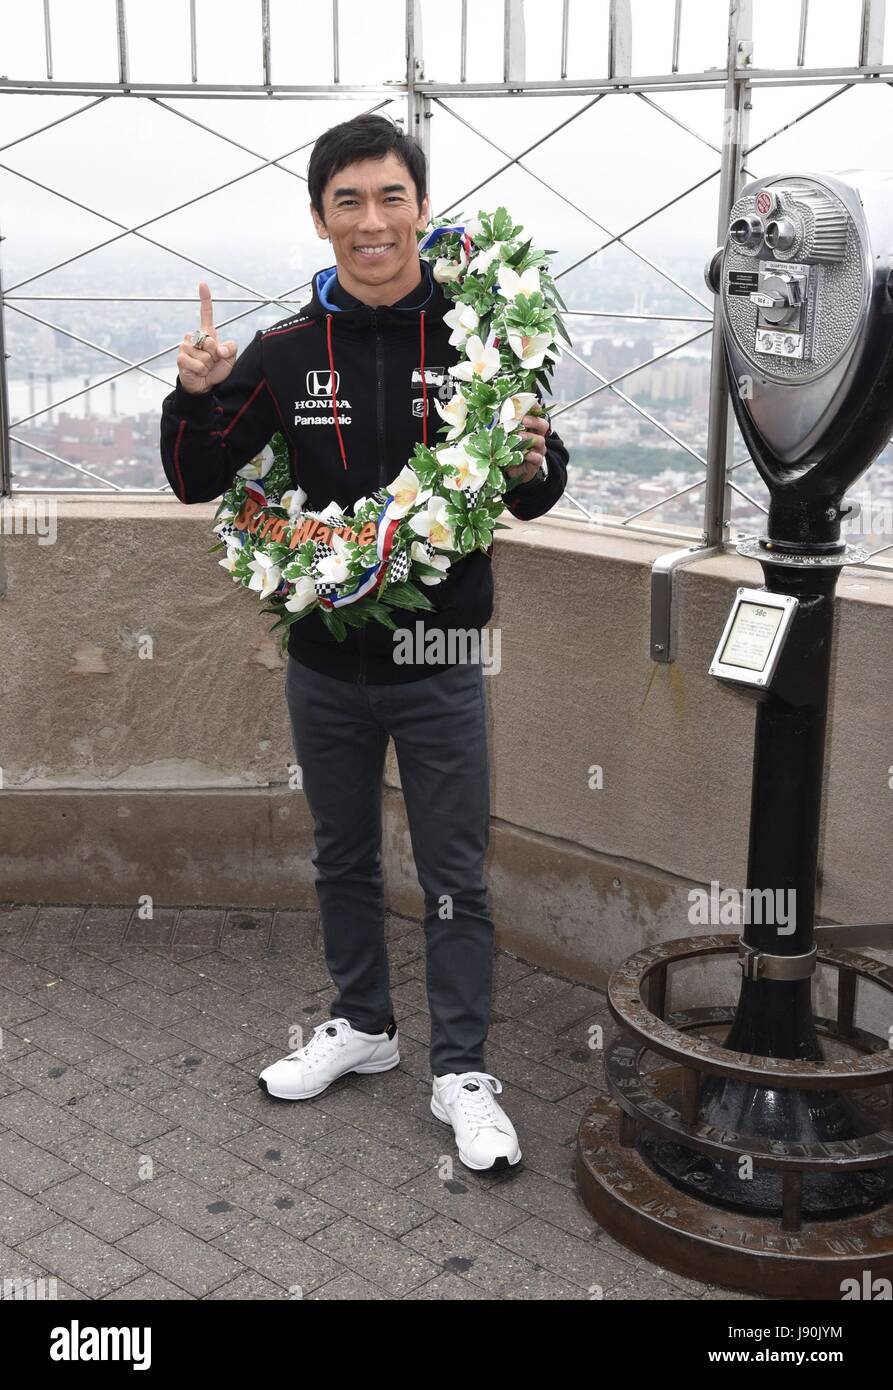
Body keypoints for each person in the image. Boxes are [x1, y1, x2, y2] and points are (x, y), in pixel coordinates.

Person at [159, 113, 568, 1173]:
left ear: (421, 211)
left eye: (391, 197)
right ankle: (364, 1025)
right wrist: (193, 393)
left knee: (452, 873)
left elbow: (535, 482)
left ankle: (463, 1070)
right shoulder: (288, 350)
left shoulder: (479, 334)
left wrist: (528, 468)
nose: (372, 220)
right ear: (320, 217)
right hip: (321, 662)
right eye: (348, 201)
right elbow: (201, 475)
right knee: (340, 855)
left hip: (438, 662)